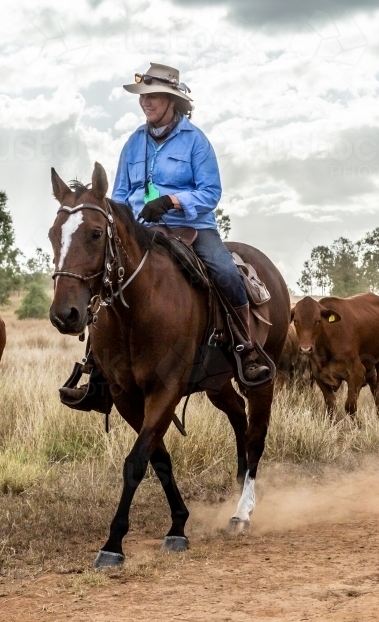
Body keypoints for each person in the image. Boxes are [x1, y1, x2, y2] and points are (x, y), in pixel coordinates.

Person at [110, 62, 269, 382]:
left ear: (173, 101)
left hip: (194, 228)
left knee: (225, 272)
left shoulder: (196, 141)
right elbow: (119, 194)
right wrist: (124, 220)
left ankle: (245, 348)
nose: (145, 102)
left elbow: (211, 193)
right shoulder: (132, 143)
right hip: (143, 229)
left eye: (153, 95)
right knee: (106, 275)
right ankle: (96, 368)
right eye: (143, 96)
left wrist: (171, 201)